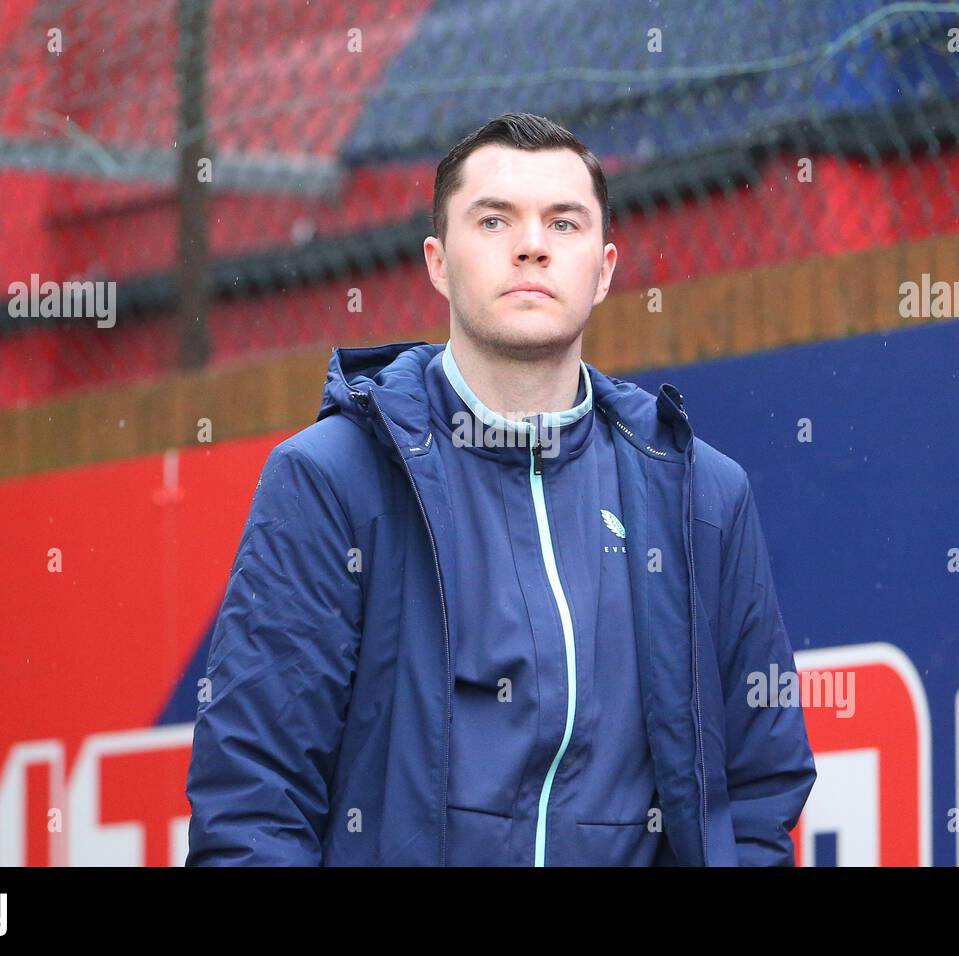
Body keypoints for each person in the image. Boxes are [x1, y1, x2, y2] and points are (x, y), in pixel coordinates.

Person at [185, 111, 816, 866]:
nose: (531, 244)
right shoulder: (330, 479)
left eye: (564, 222)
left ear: (606, 268)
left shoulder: (700, 497)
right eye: (493, 220)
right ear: (437, 261)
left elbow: (758, 787)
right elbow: (254, 797)